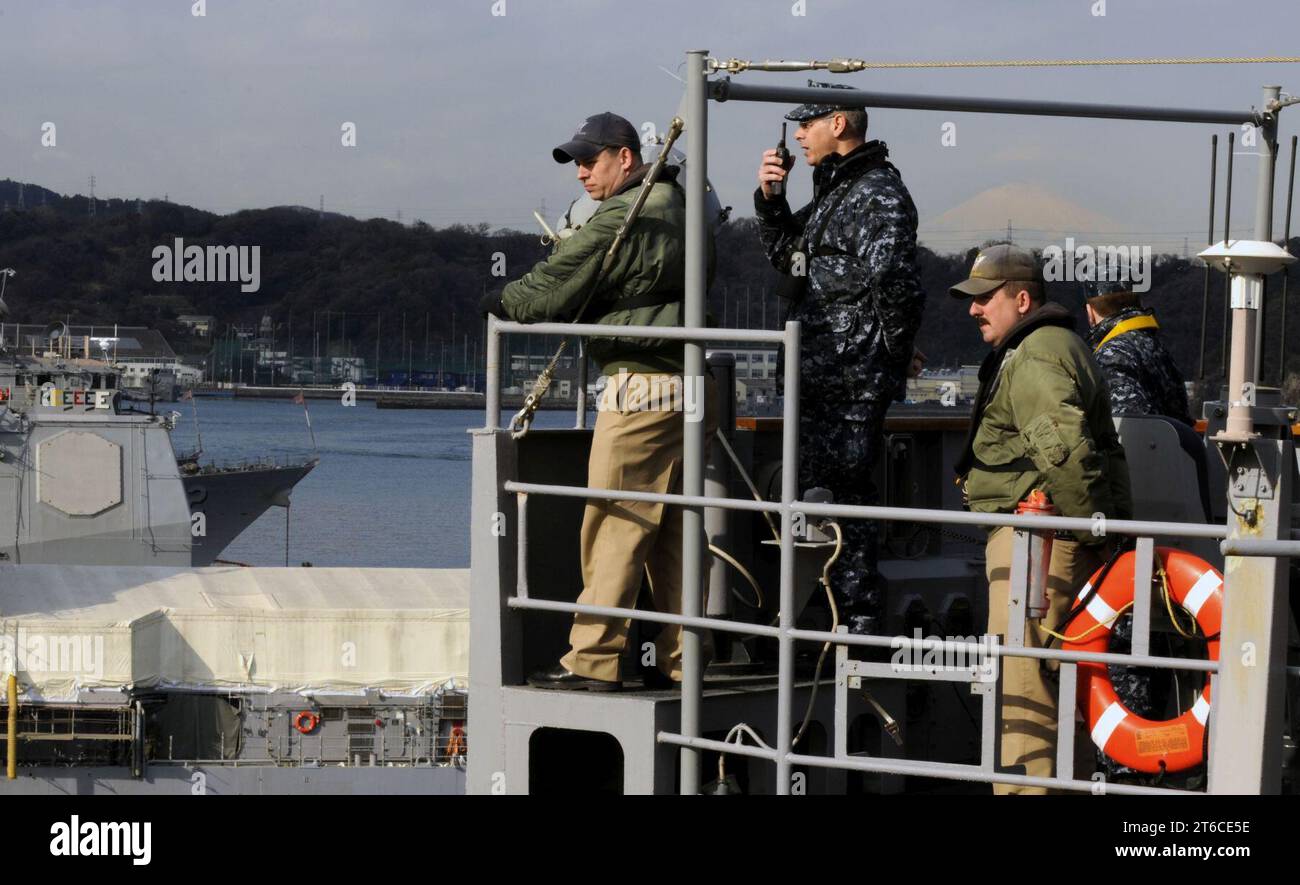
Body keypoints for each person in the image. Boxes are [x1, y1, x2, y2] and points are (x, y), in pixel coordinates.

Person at [482, 111, 717, 691]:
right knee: (673, 531)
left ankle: (594, 661)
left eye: (591, 160)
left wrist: (502, 301)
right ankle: (681, 660)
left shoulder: (633, 212)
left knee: (614, 520)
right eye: (578, 163)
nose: (582, 173)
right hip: (686, 384)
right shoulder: (679, 208)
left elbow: (564, 276)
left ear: (626, 158)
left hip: (643, 384)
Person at [949, 244, 1132, 794]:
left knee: (1021, 678)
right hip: (1056, 532)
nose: (974, 310)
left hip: (1037, 538)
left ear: (1021, 298)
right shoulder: (1057, 345)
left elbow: (1065, 454)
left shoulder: (1033, 356)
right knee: (1052, 671)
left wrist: (1091, 531)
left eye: (985, 299)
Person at [753, 84, 926, 635]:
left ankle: (857, 622)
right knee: (820, 491)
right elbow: (789, 258)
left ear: (840, 124)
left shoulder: (876, 194)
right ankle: (823, 614)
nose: (798, 135)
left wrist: (890, 355)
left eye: (807, 123)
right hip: (823, 374)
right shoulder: (836, 192)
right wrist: (771, 201)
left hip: (851, 376)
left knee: (847, 491)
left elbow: (897, 283)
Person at [1084, 281, 1194, 427]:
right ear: (1138, 303)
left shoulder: (1111, 355)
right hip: (1175, 447)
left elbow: (1131, 430)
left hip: (1148, 447)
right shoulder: (1154, 344)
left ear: (1090, 312)